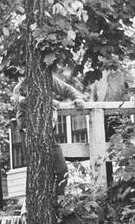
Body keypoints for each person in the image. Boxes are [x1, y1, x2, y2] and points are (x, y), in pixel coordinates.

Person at [12, 70, 85, 199]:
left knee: (62, 171)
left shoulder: (47, 78)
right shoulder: (19, 89)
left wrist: (77, 98)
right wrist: (53, 103)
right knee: (37, 174)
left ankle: (57, 202)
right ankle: (31, 208)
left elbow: (66, 89)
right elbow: (26, 103)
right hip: (29, 135)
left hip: (49, 135)